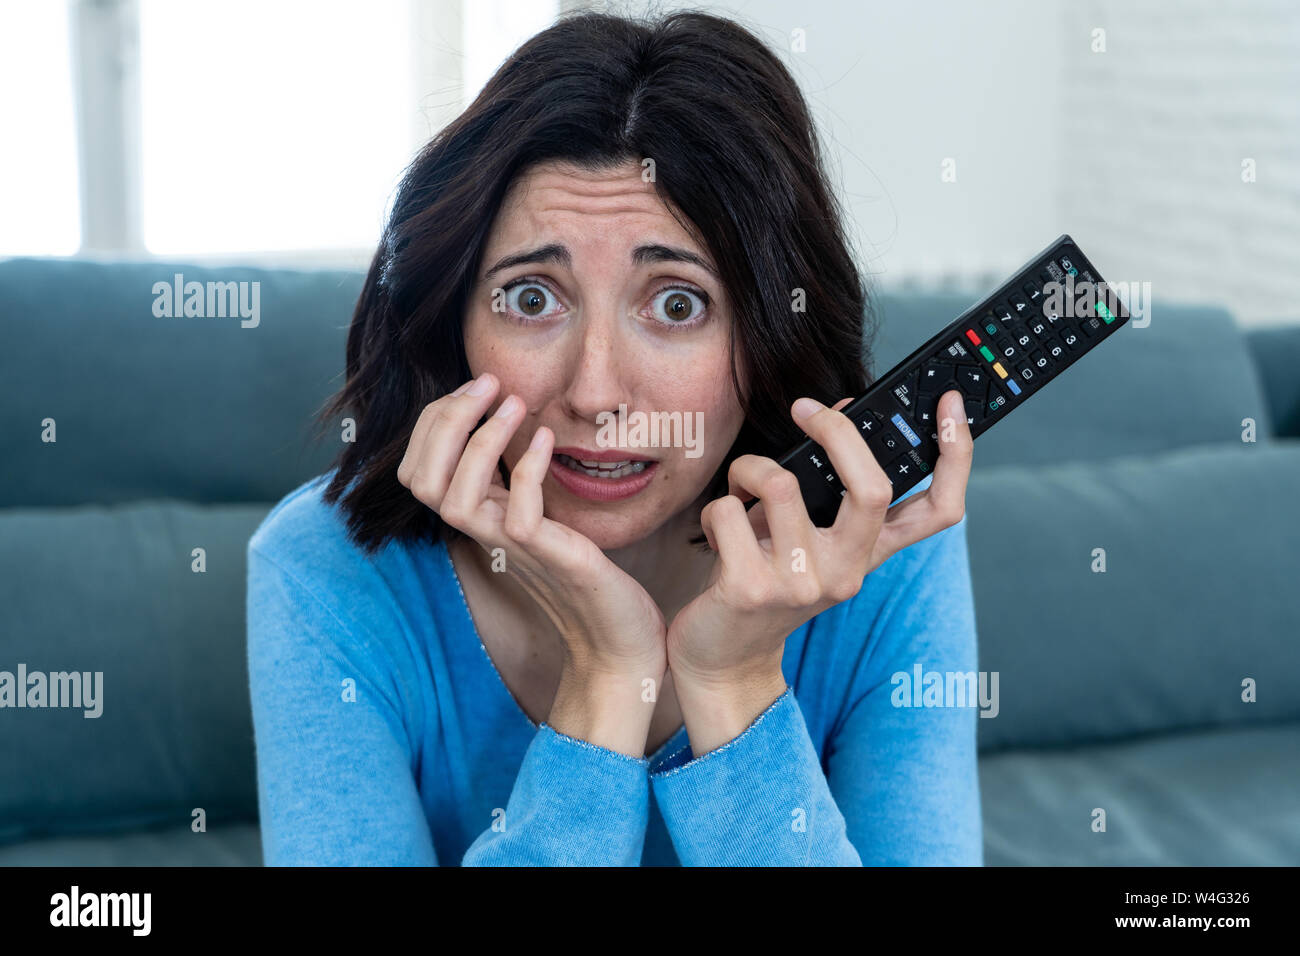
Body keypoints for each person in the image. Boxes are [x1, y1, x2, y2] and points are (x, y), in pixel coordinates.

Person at [246, 9, 982, 866]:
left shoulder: (884, 551)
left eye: (677, 304)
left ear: (770, 334)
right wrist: (603, 682)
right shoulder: (322, 574)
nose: (595, 394)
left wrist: (734, 685)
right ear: (452, 328)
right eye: (531, 298)